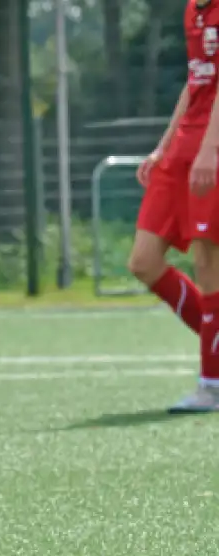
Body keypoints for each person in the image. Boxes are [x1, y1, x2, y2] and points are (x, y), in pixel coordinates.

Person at [132, 0, 219, 413]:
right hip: (183, 148)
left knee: (208, 260)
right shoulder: (192, 11)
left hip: (211, 147)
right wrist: (162, 145)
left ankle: (213, 383)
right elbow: (195, 82)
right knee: (143, 261)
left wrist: (210, 148)